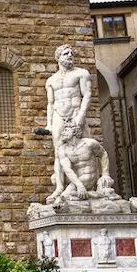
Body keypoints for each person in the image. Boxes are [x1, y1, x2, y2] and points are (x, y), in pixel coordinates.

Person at [44, 45, 92, 204]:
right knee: (59, 152)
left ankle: (84, 182)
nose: (70, 55)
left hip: (76, 112)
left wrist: (81, 115)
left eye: (71, 53)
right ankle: (59, 186)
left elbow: (87, 95)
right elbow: (50, 103)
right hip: (59, 114)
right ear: (58, 57)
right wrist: (48, 124)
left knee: (84, 146)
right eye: (66, 53)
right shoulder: (51, 80)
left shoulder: (81, 73)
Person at [56, 121, 115, 202]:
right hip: (77, 181)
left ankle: (91, 194)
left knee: (64, 197)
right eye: (63, 131)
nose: (63, 133)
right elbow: (67, 170)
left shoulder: (89, 143)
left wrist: (105, 174)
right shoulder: (63, 150)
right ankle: (94, 195)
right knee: (64, 197)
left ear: (74, 131)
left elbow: (103, 154)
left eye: (66, 130)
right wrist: (79, 186)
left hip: (89, 176)